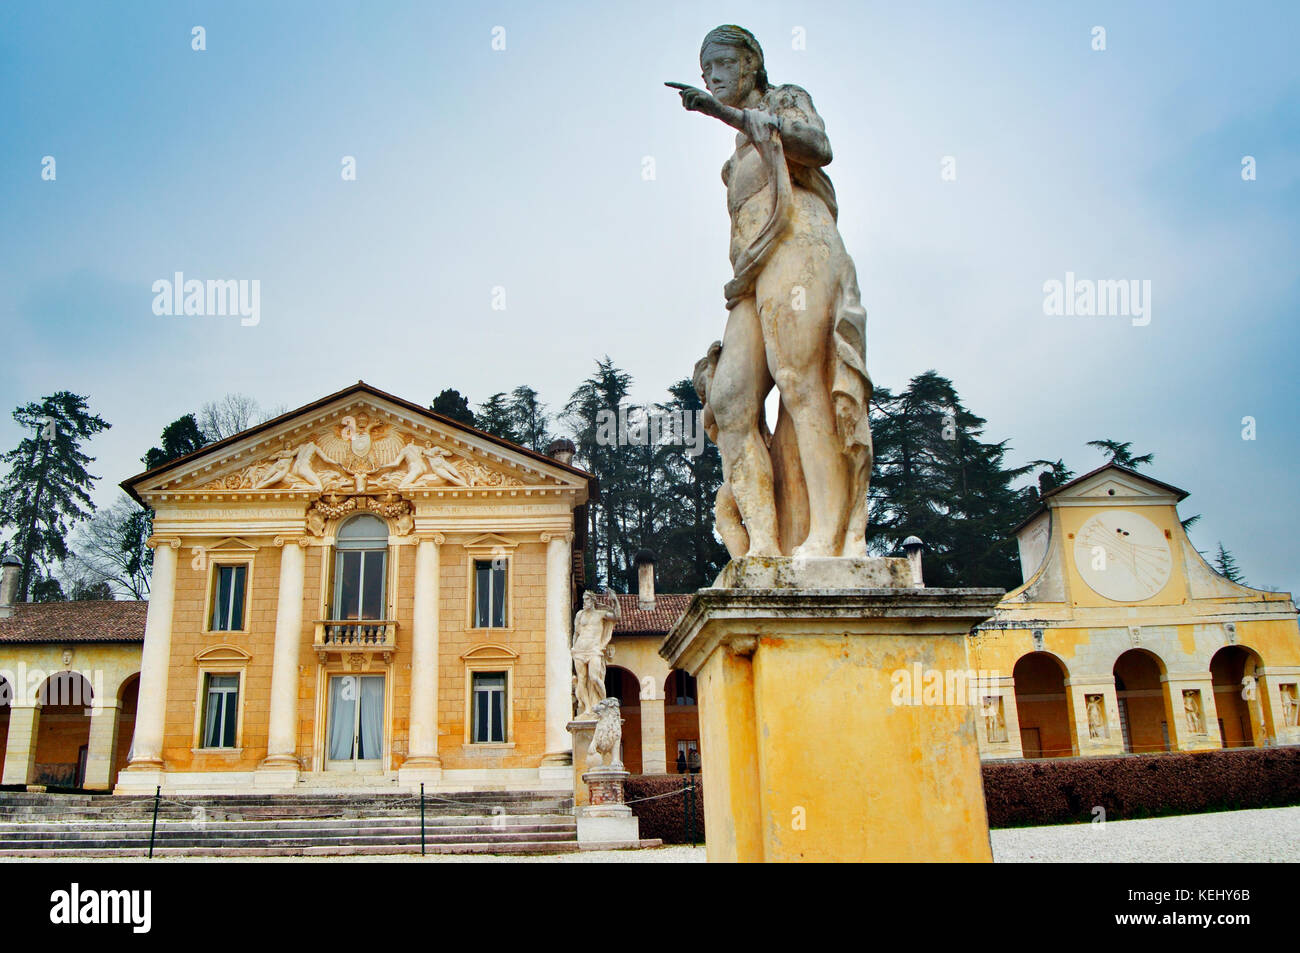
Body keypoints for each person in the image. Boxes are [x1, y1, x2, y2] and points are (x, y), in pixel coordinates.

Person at [669, 25, 872, 558]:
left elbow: (817, 147)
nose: (712, 78)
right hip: (751, 276)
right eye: (704, 70)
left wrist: (727, 115)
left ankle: (827, 536)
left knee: (801, 383)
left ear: (751, 63)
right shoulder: (733, 160)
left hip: (799, 242)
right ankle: (763, 546)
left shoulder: (785, 100)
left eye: (720, 65)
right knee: (731, 400)